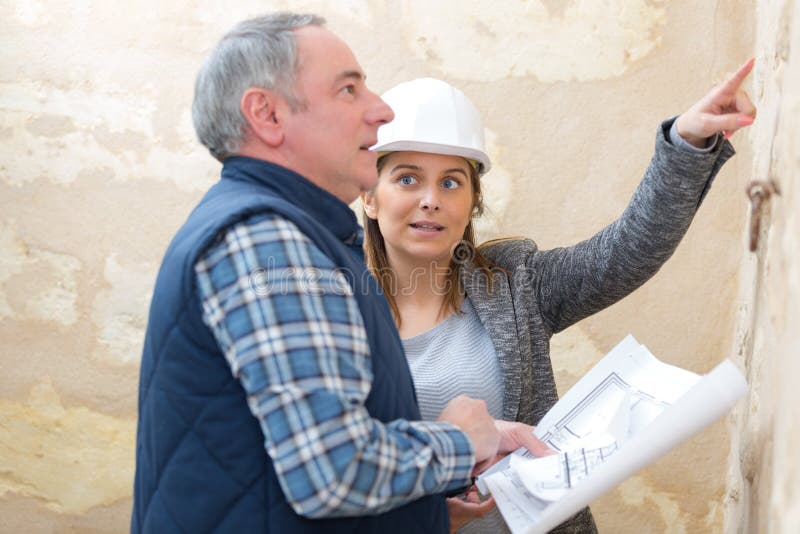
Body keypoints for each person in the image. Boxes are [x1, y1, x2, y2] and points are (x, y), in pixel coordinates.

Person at [131, 12, 543, 534]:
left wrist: (420, 511)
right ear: (267, 114)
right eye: (349, 90)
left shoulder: (295, 233)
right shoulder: (270, 239)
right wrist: (462, 442)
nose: (381, 110)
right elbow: (334, 470)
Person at [362, 62, 756, 533]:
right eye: (407, 178)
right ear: (369, 195)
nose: (431, 199)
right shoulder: (330, 318)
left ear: (472, 202)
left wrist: (686, 144)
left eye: (451, 182)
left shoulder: (515, 283)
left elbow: (626, 253)